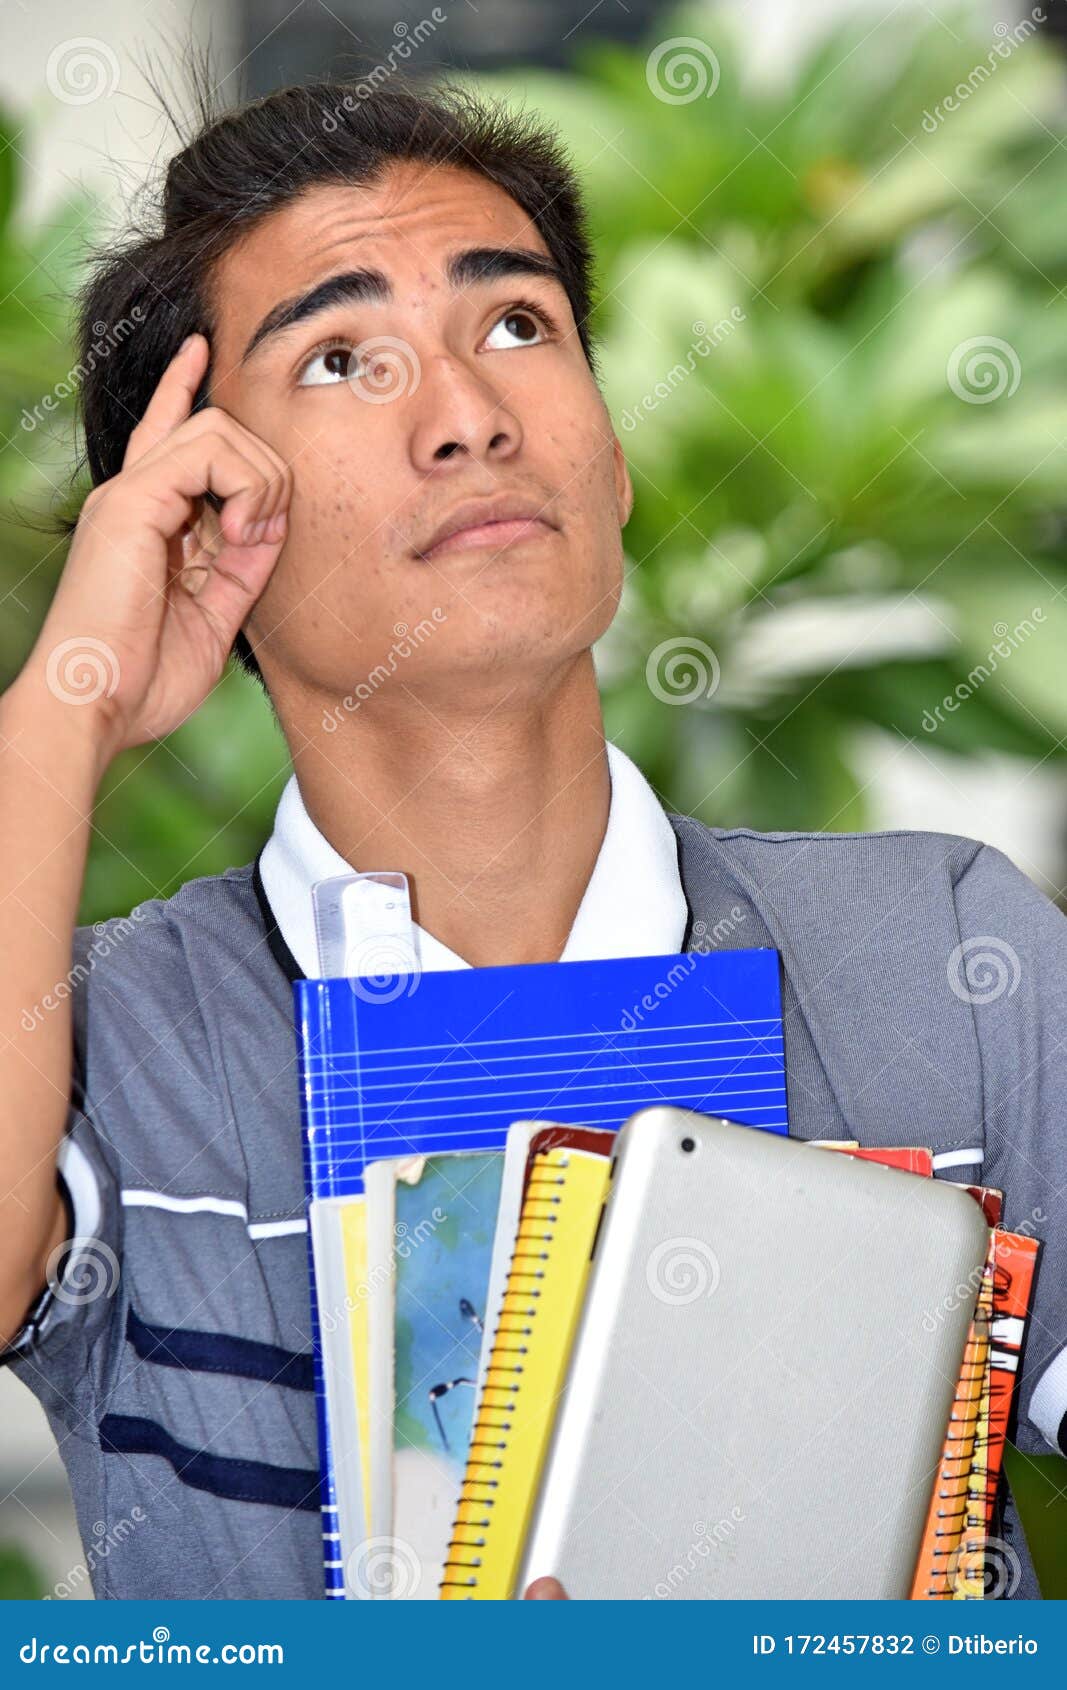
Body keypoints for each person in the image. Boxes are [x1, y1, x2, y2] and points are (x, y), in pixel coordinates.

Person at [0, 71, 1062, 1602]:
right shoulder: (118, 1042)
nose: (469, 418)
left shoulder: (954, 955)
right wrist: (63, 704)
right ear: (195, 519)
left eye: (516, 327)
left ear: (613, 459)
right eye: (344, 356)